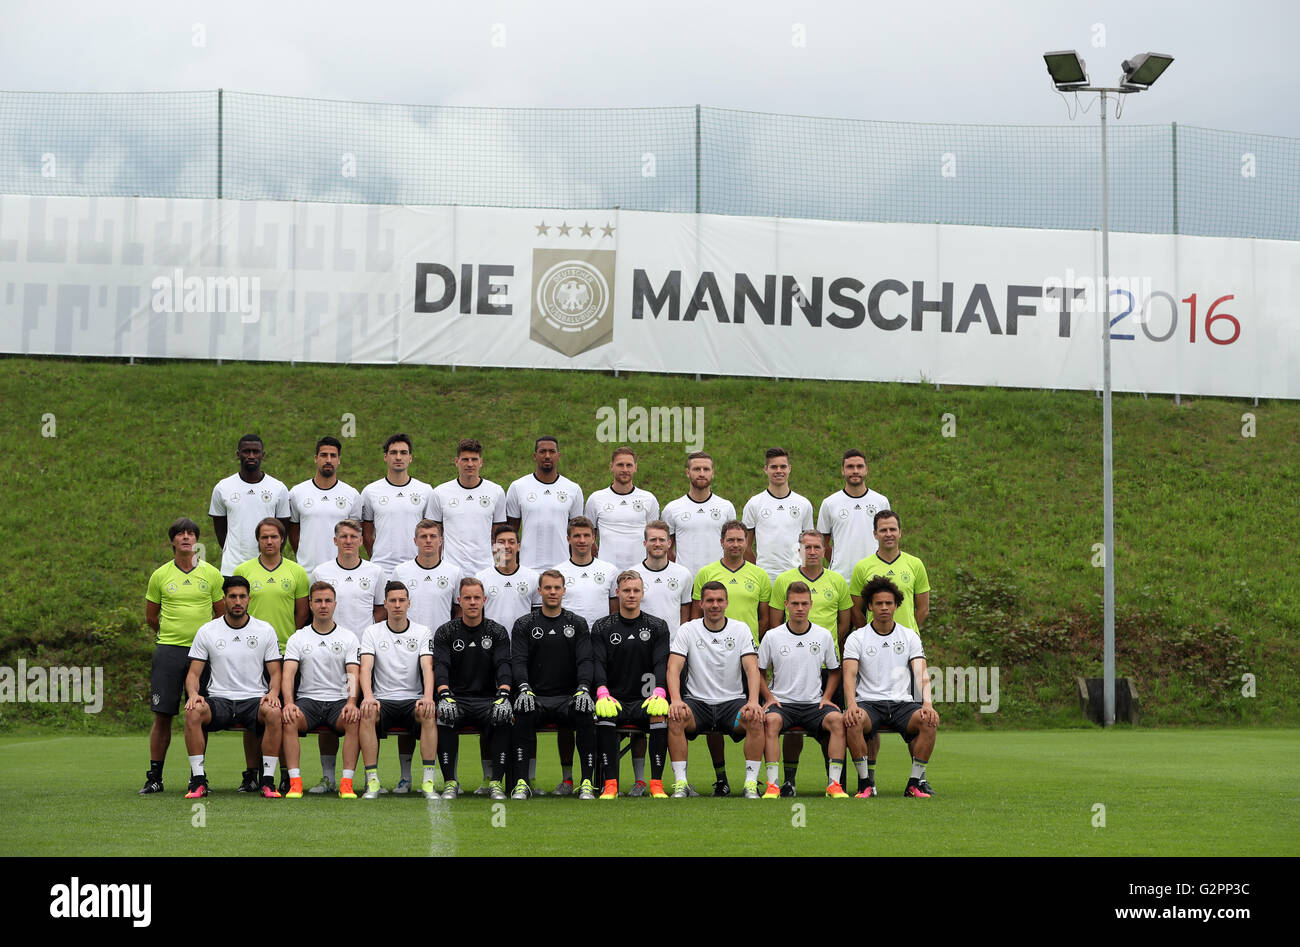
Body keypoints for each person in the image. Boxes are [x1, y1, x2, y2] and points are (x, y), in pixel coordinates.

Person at [847, 510, 932, 790]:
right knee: (869, 709)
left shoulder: (915, 564)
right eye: (883, 530)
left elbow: (922, 607)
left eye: (893, 529)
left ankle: (918, 780)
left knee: (920, 711)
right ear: (875, 534)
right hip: (874, 645)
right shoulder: (863, 567)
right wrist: (874, 635)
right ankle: (867, 780)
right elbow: (858, 609)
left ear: (900, 532)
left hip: (905, 647)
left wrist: (903, 633)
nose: (888, 534)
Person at [140, 517, 224, 794]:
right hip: (169, 652)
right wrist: (172, 637)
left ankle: (197, 777)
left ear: (196, 540)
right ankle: (155, 777)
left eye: (191, 533)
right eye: (180, 534)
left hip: (202, 654)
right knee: (162, 715)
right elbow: (152, 617)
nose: (186, 537)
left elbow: (220, 614)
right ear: (173, 541)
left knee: (198, 714)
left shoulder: (211, 574)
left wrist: (204, 642)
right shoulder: (160, 575)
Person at [181, 576, 284, 799]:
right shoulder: (208, 630)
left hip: (254, 699)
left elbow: (276, 672)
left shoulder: (264, 630)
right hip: (219, 700)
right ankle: (198, 782)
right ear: (224, 599)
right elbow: (193, 673)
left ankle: (267, 782)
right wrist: (193, 694)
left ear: (249, 599)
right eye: (232, 596)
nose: (237, 601)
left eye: (242, 596)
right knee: (192, 711)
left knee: (275, 712)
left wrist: (273, 693)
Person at [690, 519, 771, 795]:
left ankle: (752, 779)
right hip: (711, 651)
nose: (735, 544)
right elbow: (693, 616)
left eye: (740, 540)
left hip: (746, 653)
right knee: (713, 712)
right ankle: (721, 777)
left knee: (753, 714)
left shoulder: (759, 576)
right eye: (730, 539)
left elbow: (764, 618)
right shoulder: (707, 573)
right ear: (722, 542)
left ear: (747, 543)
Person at [768, 530, 852, 794]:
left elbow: (845, 622)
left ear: (825, 550)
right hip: (790, 661)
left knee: (834, 724)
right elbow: (773, 620)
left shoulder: (837, 580)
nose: (813, 551)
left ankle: (836, 782)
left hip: (825, 663)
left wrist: (820, 645)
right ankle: (788, 781)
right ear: (800, 550)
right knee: (792, 730)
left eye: (817, 547)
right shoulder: (784, 580)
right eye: (808, 547)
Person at [841, 576, 939, 799]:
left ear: (896, 605)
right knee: (853, 719)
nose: (884, 607)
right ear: (870, 606)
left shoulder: (909, 635)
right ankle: (865, 784)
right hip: (869, 703)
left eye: (888, 603)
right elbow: (849, 674)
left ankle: (914, 784)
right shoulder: (857, 637)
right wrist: (852, 705)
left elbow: (921, 672)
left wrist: (927, 703)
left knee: (930, 721)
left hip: (902, 703)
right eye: (878, 603)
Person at [666, 581, 766, 799]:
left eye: (720, 600)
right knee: (675, 717)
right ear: (701, 603)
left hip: (732, 704)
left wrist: (753, 701)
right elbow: (673, 668)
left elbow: (751, 668)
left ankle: (750, 784)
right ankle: (681, 783)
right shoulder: (688, 629)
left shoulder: (740, 629)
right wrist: (675, 699)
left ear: (727, 603)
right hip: (697, 703)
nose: (715, 605)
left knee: (756, 718)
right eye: (710, 600)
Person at [308, 518, 386, 793]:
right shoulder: (321, 571)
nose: (349, 541)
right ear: (335, 541)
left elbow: (380, 610)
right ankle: (329, 776)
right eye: (344, 536)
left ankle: (368, 776)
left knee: (364, 713)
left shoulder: (375, 572)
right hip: (329, 652)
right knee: (327, 708)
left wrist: (362, 639)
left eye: (354, 536)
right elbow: (315, 607)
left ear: (362, 540)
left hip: (364, 655)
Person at [233, 516, 310, 793]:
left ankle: (289, 775)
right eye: (264, 537)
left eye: (274, 537)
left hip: (285, 654)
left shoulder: (296, 572)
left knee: (285, 716)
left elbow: (302, 614)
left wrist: (292, 644)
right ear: (258, 540)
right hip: (250, 654)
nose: (269, 541)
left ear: (282, 539)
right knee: (252, 718)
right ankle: (252, 774)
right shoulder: (244, 570)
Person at [508, 570, 597, 800]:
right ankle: (521, 782)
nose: (553, 592)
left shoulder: (577, 623)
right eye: (548, 588)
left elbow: (585, 660)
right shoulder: (524, 624)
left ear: (564, 591)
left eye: (557, 587)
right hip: (535, 697)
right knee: (523, 711)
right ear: (539, 591)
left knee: (585, 711)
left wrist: (584, 687)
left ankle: (585, 781)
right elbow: (518, 661)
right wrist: (524, 687)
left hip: (569, 697)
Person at [756, 582, 849, 799]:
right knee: (770, 722)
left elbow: (835, 671)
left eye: (804, 603)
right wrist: (768, 697)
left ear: (811, 605)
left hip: (813, 704)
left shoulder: (824, 635)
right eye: (795, 603)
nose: (800, 608)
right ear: (786, 604)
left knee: (837, 720)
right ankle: (773, 785)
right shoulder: (772, 636)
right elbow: (757, 671)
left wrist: (826, 697)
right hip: (782, 704)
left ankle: (834, 784)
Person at [547, 515, 617, 794]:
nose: (582, 540)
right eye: (576, 536)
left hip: (601, 648)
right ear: (568, 539)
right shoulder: (558, 572)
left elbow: (614, 611)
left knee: (600, 711)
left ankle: (601, 776)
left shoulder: (609, 570)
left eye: (587, 535)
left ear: (594, 538)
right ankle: (567, 777)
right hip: (567, 650)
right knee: (567, 713)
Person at [590, 571, 671, 799]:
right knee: (604, 716)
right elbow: (598, 663)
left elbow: (661, 662)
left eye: (636, 590)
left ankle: (655, 783)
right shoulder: (602, 626)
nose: (631, 595)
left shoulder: (657, 626)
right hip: (614, 699)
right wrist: (602, 692)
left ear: (643, 593)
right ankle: (610, 784)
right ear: (617, 593)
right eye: (626, 591)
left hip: (645, 698)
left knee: (658, 716)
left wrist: (659, 692)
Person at [430, 578, 513, 799]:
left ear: (484, 600)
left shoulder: (497, 631)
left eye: (477, 598)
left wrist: (504, 694)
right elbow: (441, 667)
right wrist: (444, 695)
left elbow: (504, 665)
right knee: (444, 716)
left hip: (487, 699)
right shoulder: (446, 631)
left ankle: (496, 782)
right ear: (459, 601)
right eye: (467, 598)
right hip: (456, 698)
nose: (472, 602)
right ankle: (450, 782)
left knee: (503, 715)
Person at [357, 582, 439, 799]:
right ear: (384, 603)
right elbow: (365, 668)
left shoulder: (422, 631)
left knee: (429, 712)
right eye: (392, 600)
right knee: (366, 712)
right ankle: (372, 782)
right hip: (383, 700)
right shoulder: (372, 632)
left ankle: (428, 781)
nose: (397, 605)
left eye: (402, 600)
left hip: (413, 699)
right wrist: (368, 697)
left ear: (409, 603)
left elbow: (427, 667)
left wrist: (428, 697)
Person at [280, 582, 362, 798]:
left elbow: (353, 673)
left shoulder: (348, 637)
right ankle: (295, 783)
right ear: (310, 605)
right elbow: (288, 674)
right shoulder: (298, 637)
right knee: (288, 718)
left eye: (327, 600)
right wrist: (289, 703)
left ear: (335, 604)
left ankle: (346, 783)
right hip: (308, 701)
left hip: (338, 702)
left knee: (354, 719)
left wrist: (352, 703)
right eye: (318, 601)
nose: (323, 605)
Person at [209, 433, 290, 576]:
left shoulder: (279, 488)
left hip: (267, 567)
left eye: (256, 452)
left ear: (262, 455)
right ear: (238, 454)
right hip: (232, 568)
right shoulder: (223, 488)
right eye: (246, 451)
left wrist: (271, 557)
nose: (251, 456)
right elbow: (220, 531)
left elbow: (283, 530)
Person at [426, 438, 506, 577]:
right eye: (465, 459)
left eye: (474, 459)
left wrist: (501, 569)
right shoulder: (440, 493)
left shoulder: (496, 492)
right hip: (451, 570)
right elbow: (435, 535)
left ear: (480, 462)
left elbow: (498, 536)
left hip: (485, 570)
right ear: (456, 461)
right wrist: (435, 569)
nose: (470, 464)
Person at [504, 436, 584, 570]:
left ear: (558, 456)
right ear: (535, 456)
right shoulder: (518, 487)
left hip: (562, 569)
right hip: (527, 568)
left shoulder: (573, 489)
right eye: (542, 452)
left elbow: (578, 533)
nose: (547, 456)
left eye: (552, 452)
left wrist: (578, 567)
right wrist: (503, 566)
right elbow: (508, 532)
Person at [360, 433, 433, 576]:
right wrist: (377, 558)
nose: (398, 457)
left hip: (416, 568)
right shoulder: (370, 491)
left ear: (410, 458)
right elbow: (366, 535)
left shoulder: (426, 490)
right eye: (393, 452)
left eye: (403, 453)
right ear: (385, 457)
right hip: (382, 569)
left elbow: (433, 532)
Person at [288, 436, 361, 576]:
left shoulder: (352, 495)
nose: (328, 460)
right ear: (316, 458)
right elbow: (293, 532)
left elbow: (355, 536)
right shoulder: (297, 493)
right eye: (323, 455)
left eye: (333, 456)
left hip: (341, 572)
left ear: (339, 460)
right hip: (307, 572)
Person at [742, 447, 815, 582]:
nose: (779, 471)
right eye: (774, 467)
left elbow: (808, 543)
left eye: (783, 466)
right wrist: (758, 571)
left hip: (796, 576)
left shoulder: (803, 504)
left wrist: (803, 571)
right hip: (765, 577)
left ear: (789, 469)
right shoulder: (754, 504)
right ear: (766, 469)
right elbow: (745, 546)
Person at [584, 447, 661, 572]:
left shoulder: (649, 499)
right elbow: (587, 537)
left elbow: (654, 536)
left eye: (629, 465)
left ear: (635, 467)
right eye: (620, 465)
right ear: (611, 466)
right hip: (606, 572)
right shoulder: (596, 499)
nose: (625, 469)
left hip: (640, 572)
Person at [817, 449, 890, 582]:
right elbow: (823, 543)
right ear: (843, 470)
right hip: (842, 578)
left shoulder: (881, 501)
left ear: (866, 469)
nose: (855, 471)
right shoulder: (829, 503)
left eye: (859, 466)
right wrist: (837, 563)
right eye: (850, 467)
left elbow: (888, 539)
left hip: (875, 576)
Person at [661, 451, 736, 578]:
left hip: (719, 581)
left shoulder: (726, 507)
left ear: (712, 473)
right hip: (685, 581)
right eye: (696, 469)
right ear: (687, 472)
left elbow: (733, 546)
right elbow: (665, 548)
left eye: (706, 469)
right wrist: (679, 570)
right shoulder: (672, 509)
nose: (702, 473)